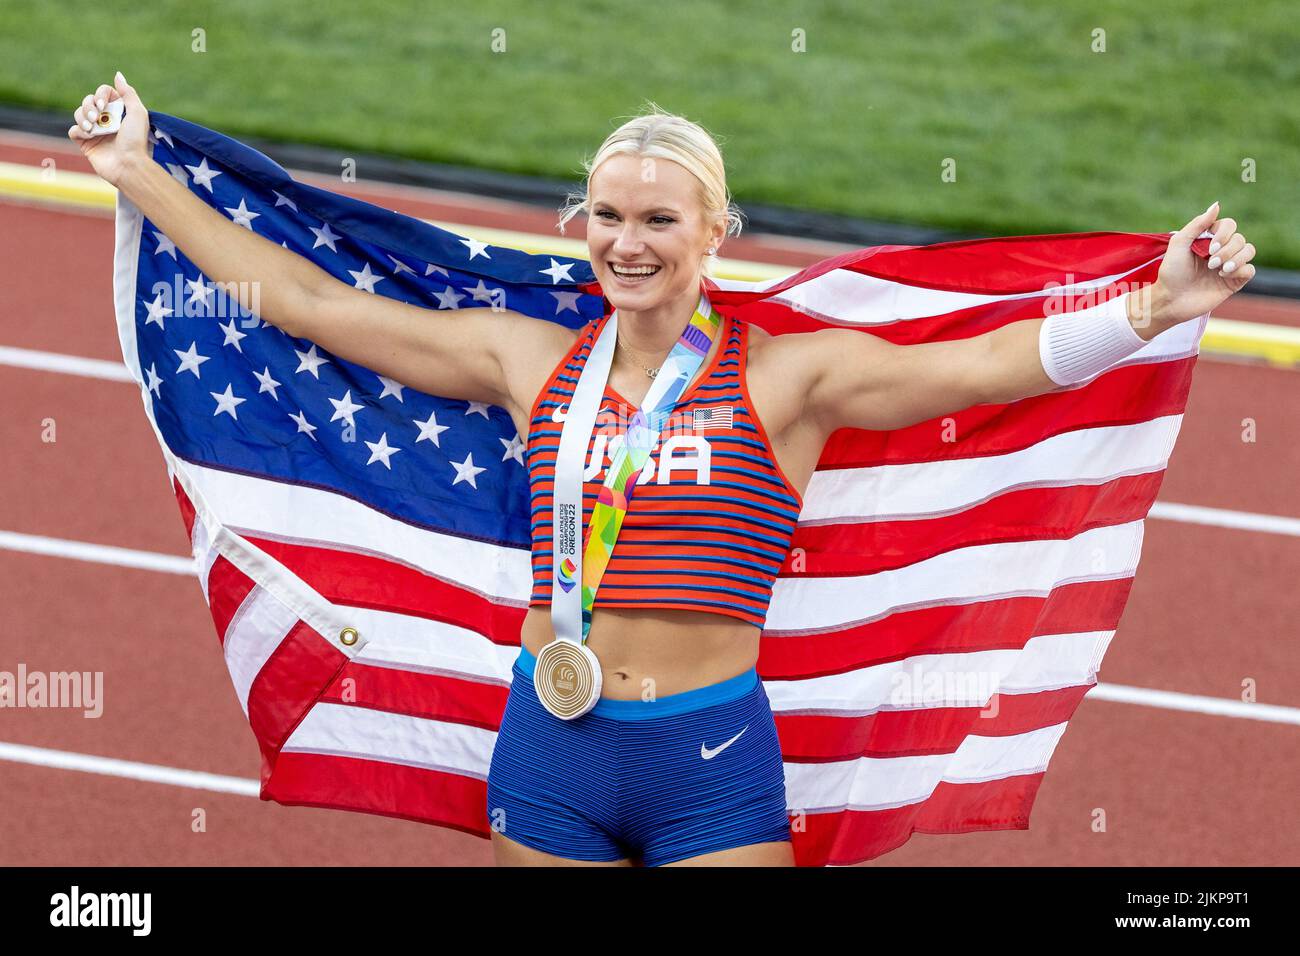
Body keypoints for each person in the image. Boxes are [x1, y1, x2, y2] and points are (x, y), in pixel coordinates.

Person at [70, 72, 1256, 867]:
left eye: (658, 221)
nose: (626, 242)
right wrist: (138, 173)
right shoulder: (527, 359)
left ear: (715, 232)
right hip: (549, 738)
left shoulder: (786, 379)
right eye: (606, 215)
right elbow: (312, 302)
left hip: (709, 756)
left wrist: (1153, 304)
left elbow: (991, 366)